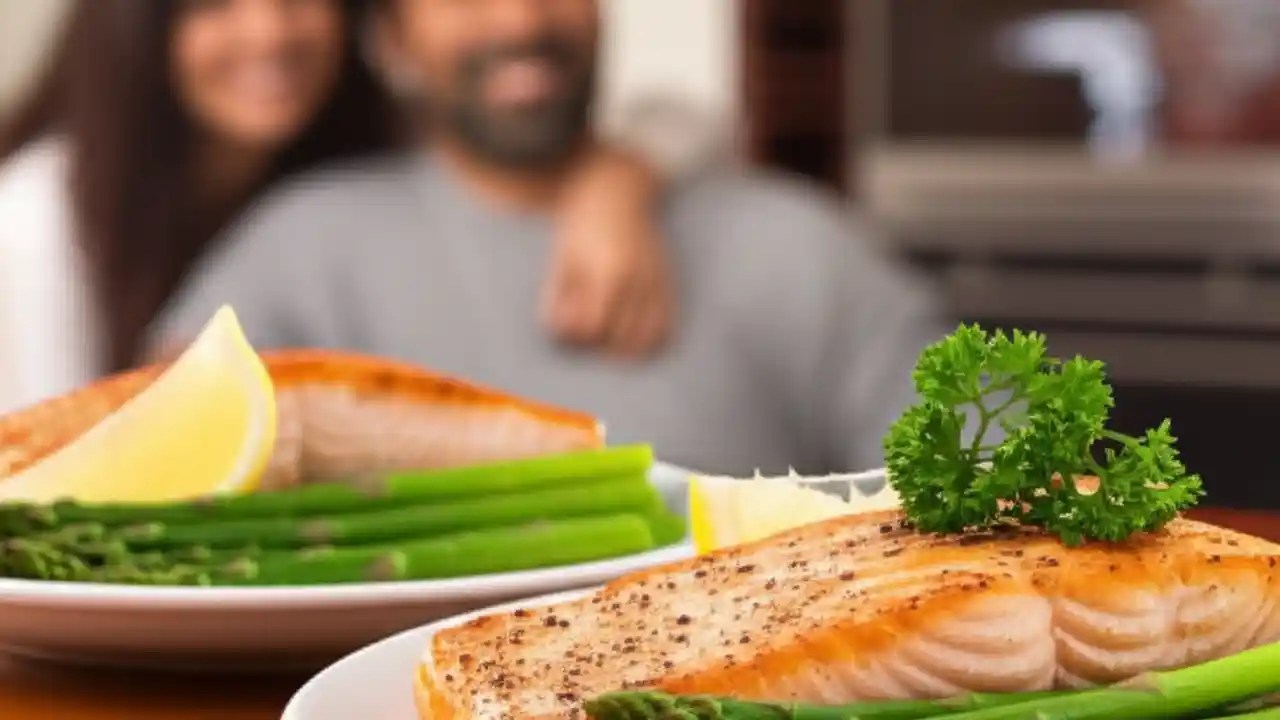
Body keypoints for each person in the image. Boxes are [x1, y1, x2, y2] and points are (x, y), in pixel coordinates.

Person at [154, 0, 948, 476]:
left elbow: (999, 477)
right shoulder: (302, 243)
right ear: (392, 41)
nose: (522, 18)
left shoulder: (795, 242)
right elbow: (155, 457)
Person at [0, 0, 672, 413]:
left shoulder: (356, 157)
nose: (268, 30)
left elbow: (682, 122)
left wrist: (611, 181)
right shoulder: (34, 224)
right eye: (212, 4)